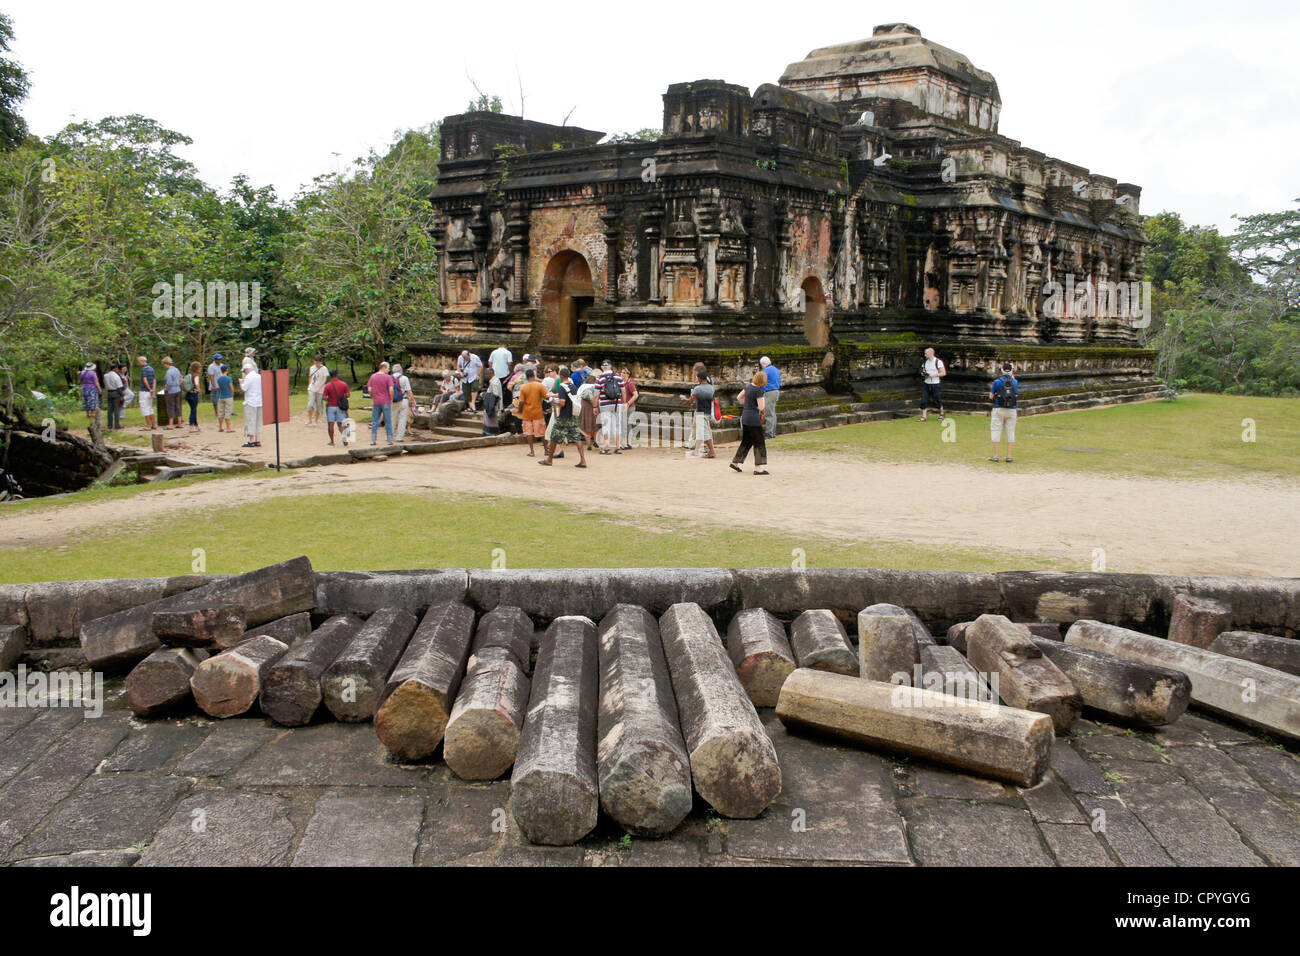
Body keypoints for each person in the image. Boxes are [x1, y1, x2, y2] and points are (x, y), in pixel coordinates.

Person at [540, 366, 588, 468]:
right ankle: (583, 460)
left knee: (554, 437)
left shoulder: (562, 386)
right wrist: (553, 395)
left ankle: (549, 459)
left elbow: (562, 402)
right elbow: (566, 396)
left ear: (561, 376)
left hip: (563, 417)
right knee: (577, 438)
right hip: (572, 416)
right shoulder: (573, 386)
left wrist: (553, 401)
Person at [730, 371, 769, 475]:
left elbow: (739, 397)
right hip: (753, 418)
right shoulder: (759, 390)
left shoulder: (748, 387)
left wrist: (748, 404)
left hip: (745, 416)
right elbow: (761, 407)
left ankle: (735, 462)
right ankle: (758, 468)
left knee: (746, 442)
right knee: (759, 442)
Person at [680, 367, 716, 458]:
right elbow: (712, 400)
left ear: (700, 378)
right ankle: (698, 449)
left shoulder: (697, 389)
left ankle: (711, 452)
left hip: (700, 412)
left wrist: (685, 399)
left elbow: (691, 400)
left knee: (704, 432)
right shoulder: (712, 388)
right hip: (707, 411)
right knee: (704, 430)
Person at [989, 361, 1019, 463]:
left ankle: (996, 455)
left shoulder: (997, 382)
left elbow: (991, 396)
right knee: (1010, 431)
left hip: (999, 408)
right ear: (1011, 370)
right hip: (1012, 409)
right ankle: (1009, 456)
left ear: (1002, 370)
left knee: (996, 430)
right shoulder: (1015, 382)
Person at [593, 361, 625, 454]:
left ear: (602, 368)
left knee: (606, 425)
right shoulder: (618, 377)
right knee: (617, 425)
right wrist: (624, 403)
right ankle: (618, 447)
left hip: (604, 404)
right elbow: (623, 391)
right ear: (611, 367)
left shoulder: (600, 378)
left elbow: (596, 395)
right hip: (617, 403)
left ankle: (607, 447)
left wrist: (595, 406)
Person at [517, 367, 548, 457]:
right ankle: (546, 450)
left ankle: (532, 451)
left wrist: (519, 410)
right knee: (542, 432)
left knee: (529, 433)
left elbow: (521, 401)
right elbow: (546, 397)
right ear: (534, 376)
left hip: (527, 413)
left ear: (526, 377)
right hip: (538, 412)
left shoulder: (524, 387)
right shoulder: (539, 385)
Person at [367, 361, 395, 445]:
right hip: (386, 401)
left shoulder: (373, 376)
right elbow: (391, 390)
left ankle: (373, 439)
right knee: (388, 421)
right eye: (388, 368)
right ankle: (390, 439)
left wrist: (373, 397)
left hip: (376, 401)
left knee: (375, 420)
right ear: (383, 367)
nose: (389, 370)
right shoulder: (388, 377)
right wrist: (391, 398)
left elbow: (369, 389)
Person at [323, 368, 351, 445]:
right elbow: (348, 395)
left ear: (330, 376)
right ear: (337, 375)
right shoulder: (344, 384)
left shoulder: (328, 385)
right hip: (340, 407)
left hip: (331, 406)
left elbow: (324, 397)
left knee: (331, 424)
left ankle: (332, 441)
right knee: (341, 424)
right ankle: (344, 437)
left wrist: (329, 398)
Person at [239, 361, 263, 447]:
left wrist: (241, 383)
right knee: (258, 420)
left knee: (251, 420)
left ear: (246, 370)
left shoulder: (249, 377)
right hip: (259, 401)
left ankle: (251, 440)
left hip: (251, 401)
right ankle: (257, 439)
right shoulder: (259, 376)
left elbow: (244, 389)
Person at [920, 347, 947, 422]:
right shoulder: (925, 363)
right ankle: (924, 416)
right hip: (927, 383)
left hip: (935, 383)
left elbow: (943, 373)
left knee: (937, 399)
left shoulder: (938, 362)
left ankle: (942, 413)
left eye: (926, 353)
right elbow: (923, 371)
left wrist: (934, 375)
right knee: (924, 400)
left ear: (931, 353)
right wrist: (923, 374)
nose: (925, 355)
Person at [760, 356, 781, 440]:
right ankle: (772, 432)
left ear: (764, 364)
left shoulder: (766, 370)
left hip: (769, 392)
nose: (762, 366)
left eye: (762, 365)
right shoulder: (776, 369)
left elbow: (761, 381)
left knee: (768, 413)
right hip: (775, 391)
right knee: (772, 413)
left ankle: (769, 433)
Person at [392, 363, 412, 441]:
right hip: (403, 399)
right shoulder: (404, 378)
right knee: (402, 419)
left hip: (393, 400)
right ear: (400, 370)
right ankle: (399, 437)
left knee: (392, 418)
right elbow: (409, 391)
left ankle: (390, 436)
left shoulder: (389, 378)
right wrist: (413, 400)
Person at [306, 356, 329, 426]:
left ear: (321, 362)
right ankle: (309, 419)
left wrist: (319, 388)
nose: (317, 363)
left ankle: (316, 420)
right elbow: (310, 377)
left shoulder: (324, 369)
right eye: (316, 362)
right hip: (312, 389)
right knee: (310, 404)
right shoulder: (312, 368)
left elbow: (324, 379)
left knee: (318, 405)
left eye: (318, 362)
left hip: (320, 390)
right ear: (314, 361)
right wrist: (309, 386)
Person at [619, 366, 638, 450]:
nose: (621, 374)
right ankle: (626, 443)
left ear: (628, 374)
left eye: (623, 372)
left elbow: (636, 395)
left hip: (629, 407)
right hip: (623, 406)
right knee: (624, 425)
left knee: (627, 425)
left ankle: (628, 443)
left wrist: (627, 403)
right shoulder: (621, 382)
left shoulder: (630, 383)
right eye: (621, 372)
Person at [161, 357, 183, 429]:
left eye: (164, 364)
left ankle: (171, 424)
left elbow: (169, 383)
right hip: (178, 390)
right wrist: (177, 385)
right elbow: (181, 379)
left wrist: (166, 390)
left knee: (170, 407)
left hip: (170, 391)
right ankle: (179, 423)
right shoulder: (176, 369)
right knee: (178, 406)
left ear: (166, 364)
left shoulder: (169, 372)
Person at [137, 356, 157, 430]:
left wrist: (149, 389)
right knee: (150, 408)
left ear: (142, 361)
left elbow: (145, 380)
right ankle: (154, 424)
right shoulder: (151, 368)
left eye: (138, 361)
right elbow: (154, 380)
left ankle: (148, 425)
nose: (138, 363)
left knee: (145, 408)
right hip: (150, 391)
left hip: (145, 391)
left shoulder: (144, 369)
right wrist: (153, 390)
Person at [482, 366, 502, 435]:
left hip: (492, 406)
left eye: (486, 374)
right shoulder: (495, 380)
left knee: (491, 420)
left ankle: (490, 434)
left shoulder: (494, 382)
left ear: (490, 374)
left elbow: (496, 395)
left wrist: (491, 407)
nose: (485, 376)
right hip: (493, 405)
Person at [103, 363, 124, 431]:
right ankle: (117, 425)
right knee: (116, 410)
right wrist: (122, 395)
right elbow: (119, 387)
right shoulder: (116, 376)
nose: (118, 370)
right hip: (115, 393)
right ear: (114, 369)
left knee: (110, 410)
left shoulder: (106, 375)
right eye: (117, 369)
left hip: (109, 392)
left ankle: (109, 425)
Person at [183, 361, 202, 433]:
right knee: (193, 411)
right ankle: (191, 426)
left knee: (193, 409)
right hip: (194, 394)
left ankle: (196, 425)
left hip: (188, 394)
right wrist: (199, 391)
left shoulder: (190, 375)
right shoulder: (196, 376)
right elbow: (196, 385)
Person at [215, 363, 234, 432]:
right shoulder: (228, 378)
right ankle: (228, 428)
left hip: (221, 396)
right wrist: (232, 394)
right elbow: (231, 388)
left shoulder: (219, 379)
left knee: (221, 412)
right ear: (226, 370)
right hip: (228, 396)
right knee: (228, 412)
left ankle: (220, 427)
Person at [206, 353, 224, 418]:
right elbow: (211, 377)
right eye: (218, 359)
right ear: (215, 359)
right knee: (215, 400)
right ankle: (216, 413)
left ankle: (223, 412)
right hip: (215, 385)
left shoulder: (222, 365)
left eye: (220, 359)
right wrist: (214, 385)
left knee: (223, 399)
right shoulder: (211, 366)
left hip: (221, 385)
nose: (219, 360)